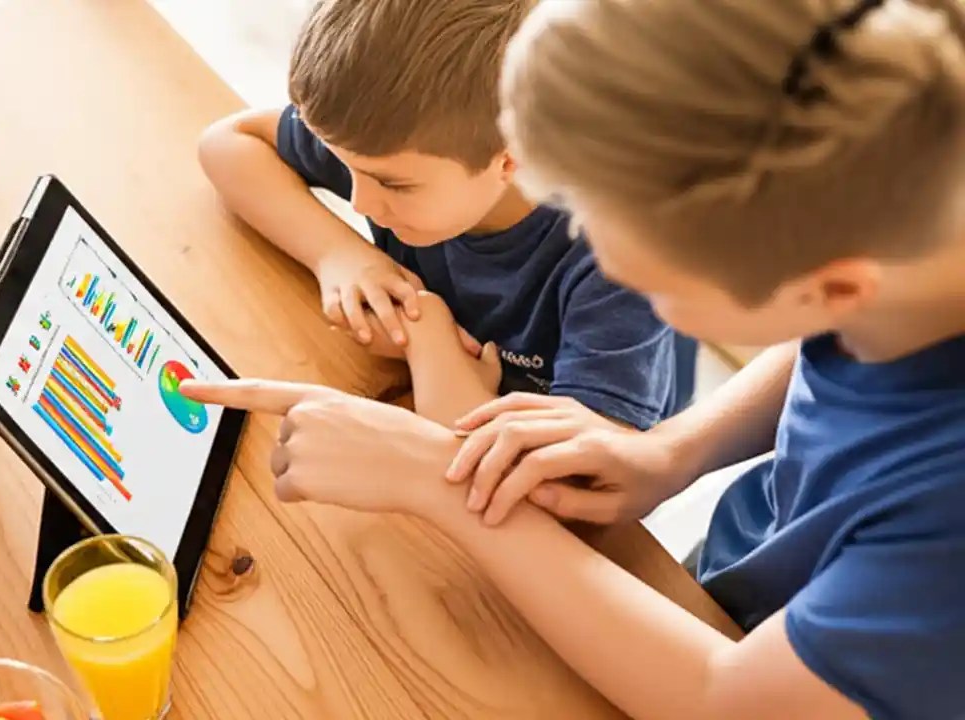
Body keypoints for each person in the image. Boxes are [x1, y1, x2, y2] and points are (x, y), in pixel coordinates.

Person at [182, 0, 965, 718]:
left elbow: (730, 701)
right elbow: (830, 339)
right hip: (743, 583)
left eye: (645, 269)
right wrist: (673, 451)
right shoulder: (908, 246)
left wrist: (437, 484)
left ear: (826, 280)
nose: (601, 261)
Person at [197, 0, 689, 430]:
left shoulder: (616, 261)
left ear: (512, 157)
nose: (359, 202)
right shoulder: (395, 145)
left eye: (391, 184)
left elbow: (584, 467)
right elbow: (226, 143)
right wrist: (338, 254)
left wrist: (434, 355)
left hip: (595, 402)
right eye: (345, 165)